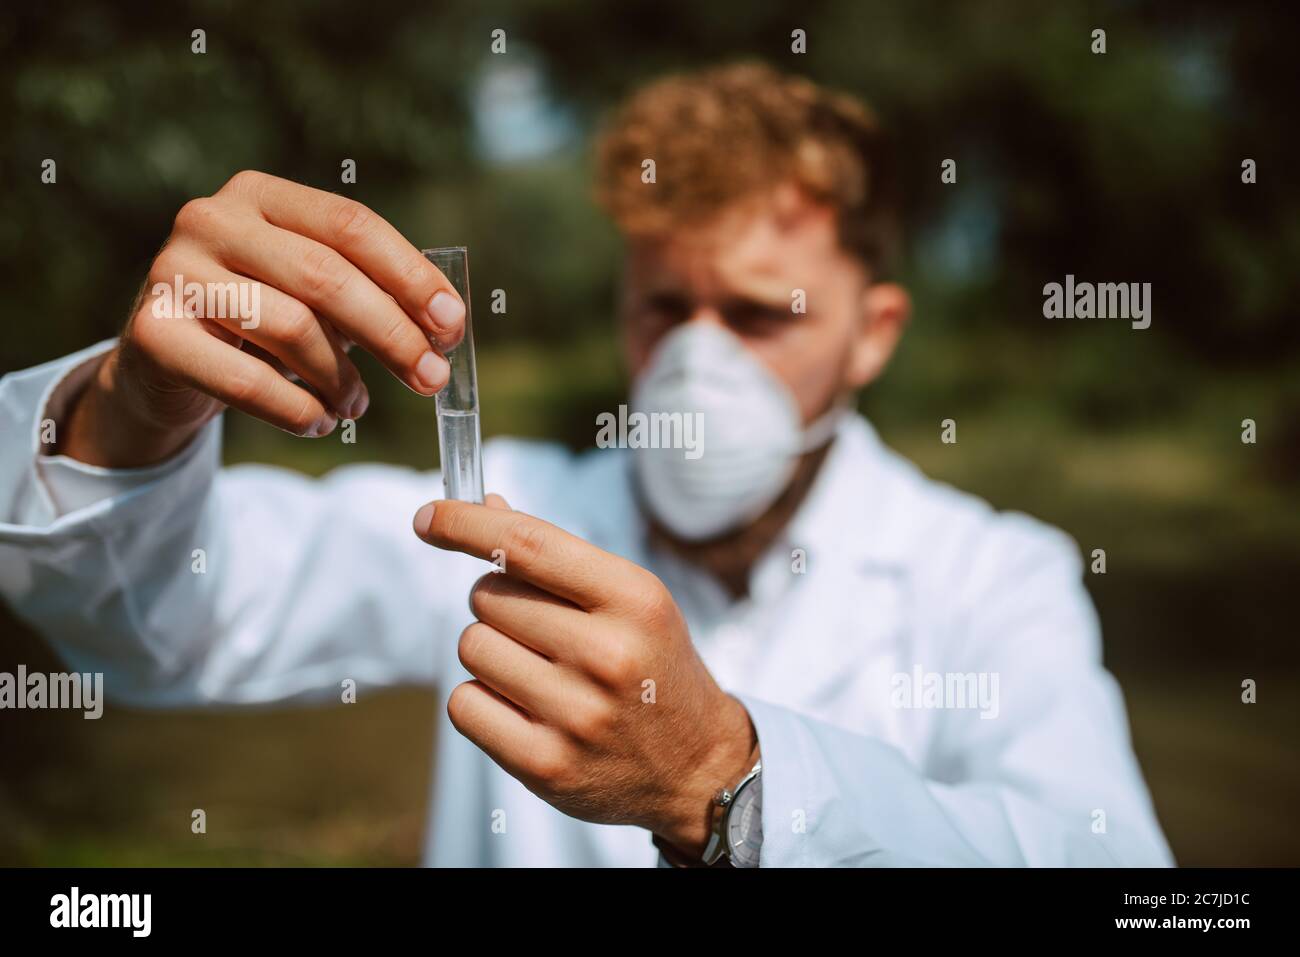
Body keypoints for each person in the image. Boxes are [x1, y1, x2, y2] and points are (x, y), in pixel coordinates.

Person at [0, 63, 1171, 867]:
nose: (698, 361)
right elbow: (155, 625)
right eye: (665, 307)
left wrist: (732, 786)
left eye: (759, 315)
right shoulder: (500, 509)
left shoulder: (991, 577)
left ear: (873, 330)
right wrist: (128, 420)